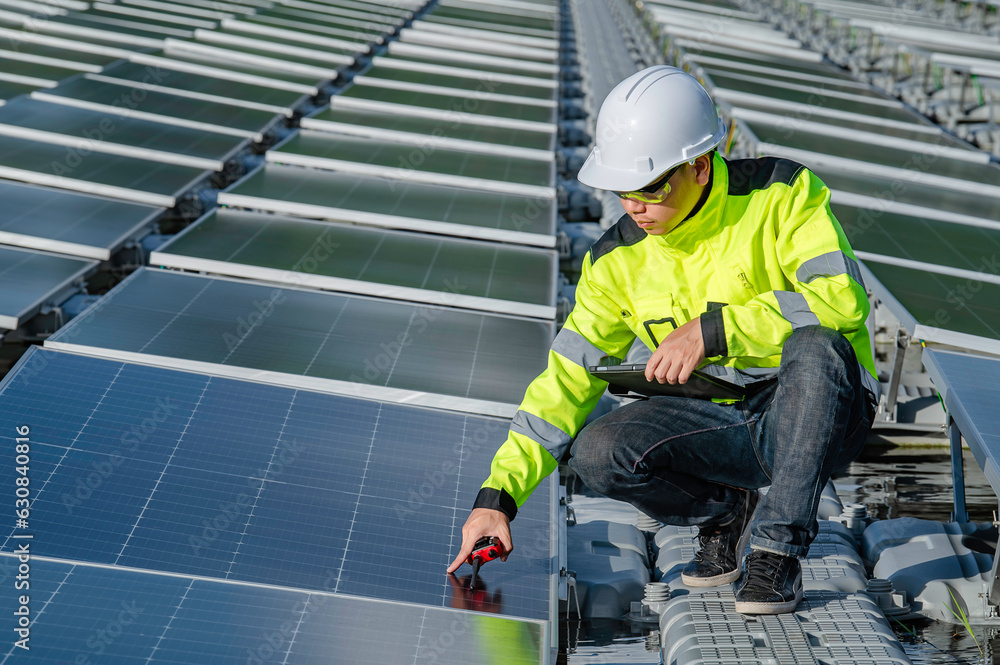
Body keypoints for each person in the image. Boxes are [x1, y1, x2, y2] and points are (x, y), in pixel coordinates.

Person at [447, 65, 880, 615]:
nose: (633, 205)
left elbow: (839, 301)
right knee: (597, 452)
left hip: (823, 417)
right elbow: (565, 378)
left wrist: (714, 330)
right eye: (620, 189)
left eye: (649, 187)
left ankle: (777, 552)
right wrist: (497, 499)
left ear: (699, 166)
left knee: (817, 347)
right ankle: (726, 511)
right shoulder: (615, 262)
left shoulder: (782, 195)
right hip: (726, 426)